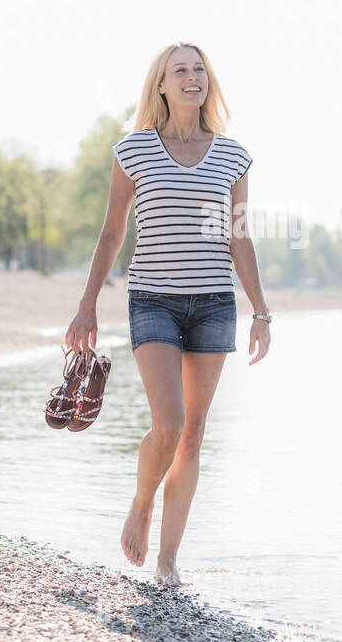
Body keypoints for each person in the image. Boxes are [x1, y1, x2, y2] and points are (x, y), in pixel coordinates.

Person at [65, 41, 272, 586]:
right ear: (160, 84)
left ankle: (167, 560)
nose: (192, 78)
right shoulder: (133, 150)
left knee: (193, 434)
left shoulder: (232, 156)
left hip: (214, 306)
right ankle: (141, 504)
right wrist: (87, 305)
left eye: (199, 70)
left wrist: (262, 311)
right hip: (152, 300)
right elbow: (112, 233)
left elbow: (240, 236)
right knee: (170, 422)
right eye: (180, 70)